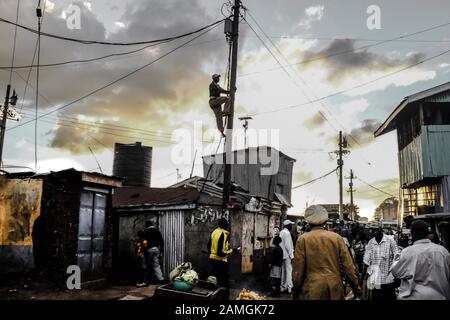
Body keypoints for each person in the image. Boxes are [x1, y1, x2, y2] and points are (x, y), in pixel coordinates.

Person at [292, 205, 361, 300]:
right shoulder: (337, 238)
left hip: (312, 290)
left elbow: (297, 271)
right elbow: (349, 267)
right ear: (325, 221)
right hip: (335, 289)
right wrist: (356, 288)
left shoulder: (303, 239)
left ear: (308, 221)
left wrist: (295, 291)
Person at [391, 220, 450, 300]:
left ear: (412, 233)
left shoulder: (407, 251)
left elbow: (396, 272)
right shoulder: (443, 251)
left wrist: (397, 256)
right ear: (427, 233)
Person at [363, 227, 398, 300]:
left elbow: (397, 256)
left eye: (377, 230)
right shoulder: (371, 242)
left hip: (388, 278)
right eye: (373, 230)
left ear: (381, 230)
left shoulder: (390, 240)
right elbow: (366, 260)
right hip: (376, 278)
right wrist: (365, 276)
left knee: (389, 297)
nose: (375, 232)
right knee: (376, 297)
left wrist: (393, 271)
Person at [208, 218, 239, 299]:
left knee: (215, 279)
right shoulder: (224, 234)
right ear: (225, 225)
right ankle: (224, 297)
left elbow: (209, 246)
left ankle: (214, 296)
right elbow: (220, 253)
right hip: (220, 260)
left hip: (212, 259)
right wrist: (232, 250)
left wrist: (212, 253)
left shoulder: (214, 232)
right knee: (224, 281)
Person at [279, 220, 295, 293]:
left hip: (282, 254)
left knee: (283, 271)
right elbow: (288, 246)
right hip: (287, 255)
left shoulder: (281, 232)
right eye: (290, 225)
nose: (291, 226)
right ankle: (289, 287)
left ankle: (282, 287)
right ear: (287, 225)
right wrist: (291, 256)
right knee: (289, 271)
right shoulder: (287, 233)